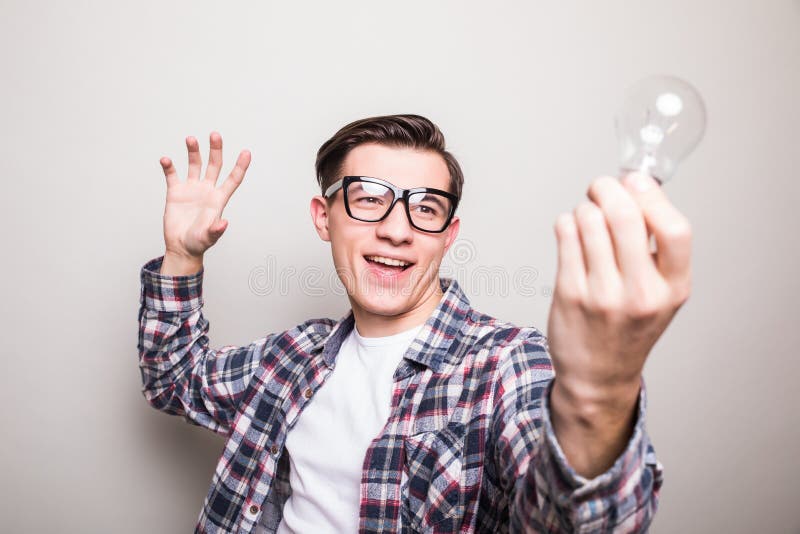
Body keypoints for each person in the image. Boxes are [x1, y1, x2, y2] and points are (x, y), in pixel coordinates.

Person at [137, 114, 691, 533]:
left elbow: (570, 521)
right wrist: (183, 257)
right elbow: (174, 381)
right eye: (369, 199)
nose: (397, 230)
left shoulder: (507, 363)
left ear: (447, 234)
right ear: (322, 218)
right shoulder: (291, 358)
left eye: (425, 208)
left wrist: (598, 396)